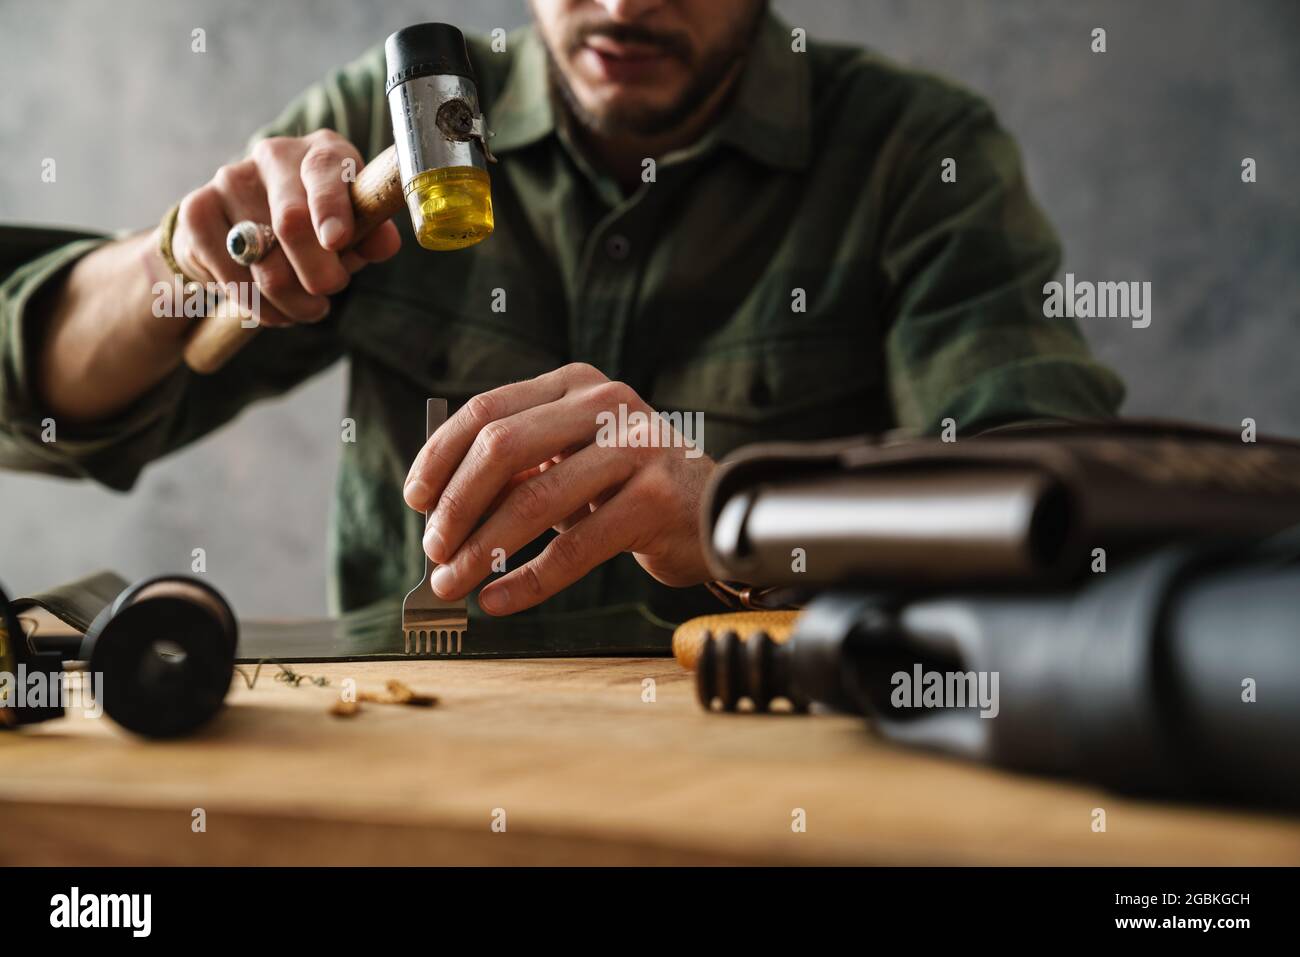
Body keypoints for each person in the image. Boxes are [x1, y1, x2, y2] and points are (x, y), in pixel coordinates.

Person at [0, 0, 1123, 648]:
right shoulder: (380, 123)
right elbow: (34, 411)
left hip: (769, 790)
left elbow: (1048, 500)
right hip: (415, 779)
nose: (626, 4)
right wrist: (171, 266)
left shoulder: (912, 153)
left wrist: (741, 524)